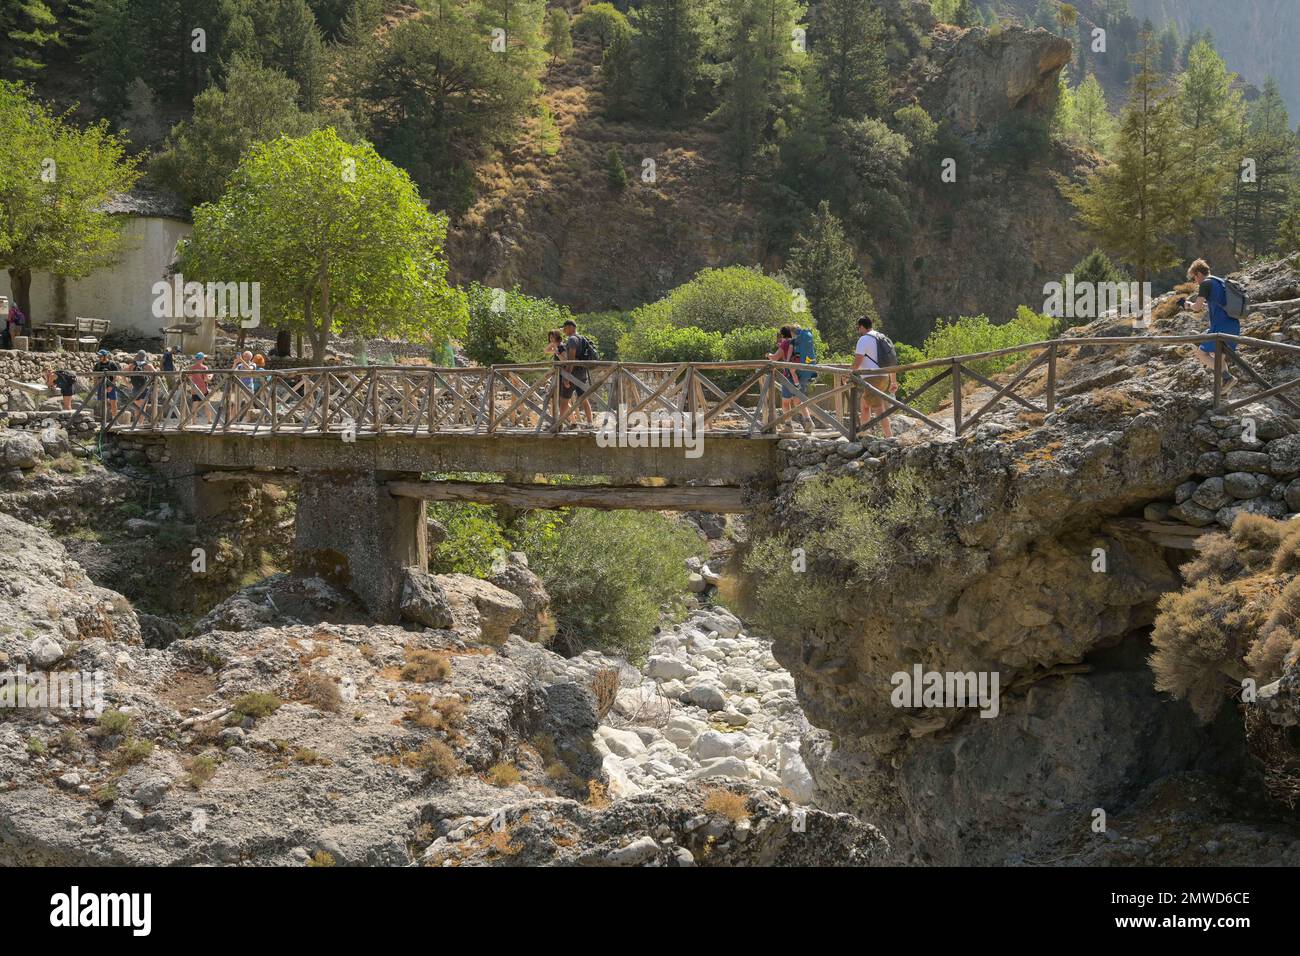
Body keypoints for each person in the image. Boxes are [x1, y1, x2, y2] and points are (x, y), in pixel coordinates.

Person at [1188, 258, 1237, 392]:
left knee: (1201, 354)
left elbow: (1197, 308)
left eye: (1194, 278)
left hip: (1220, 327)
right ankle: (1224, 391)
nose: (1195, 282)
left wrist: (1188, 305)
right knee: (1219, 358)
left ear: (1198, 274)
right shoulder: (1220, 282)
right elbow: (1218, 302)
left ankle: (1227, 378)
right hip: (1233, 325)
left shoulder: (1206, 284)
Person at [852, 316, 898, 438]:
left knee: (879, 409)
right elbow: (891, 361)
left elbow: (857, 362)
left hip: (872, 378)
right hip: (885, 377)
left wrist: (848, 375)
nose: (858, 330)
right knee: (864, 404)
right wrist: (893, 382)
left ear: (862, 326)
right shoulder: (882, 337)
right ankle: (863, 434)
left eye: (858, 328)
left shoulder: (863, 339)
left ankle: (889, 437)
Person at [559, 319, 594, 427]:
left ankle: (559, 424)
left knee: (564, 400)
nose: (564, 331)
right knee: (583, 399)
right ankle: (590, 423)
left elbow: (571, 360)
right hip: (583, 373)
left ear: (570, 327)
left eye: (564, 328)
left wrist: (567, 377)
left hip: (573, 374)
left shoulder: (572, 339)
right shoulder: (583, 338)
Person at [767, 326, 799, 424]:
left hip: (789, 375)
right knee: (799, 401)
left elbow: (774, 358)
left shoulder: (785, 343)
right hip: (800, 374)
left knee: (785, 402)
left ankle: (788, 425)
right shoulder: (798, 342)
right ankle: (808, 422)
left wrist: (768, 355)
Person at [92, 348, 121, 421]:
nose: (99, 358)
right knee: (103, 403)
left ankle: (115, 420)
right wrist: (95, 387)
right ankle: (104, 420)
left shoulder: (112, 364)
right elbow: (95, 377)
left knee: (113, 403)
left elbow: (116, 376)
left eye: (100, 356)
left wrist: (111, 386)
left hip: (111, 386)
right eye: (99, 356)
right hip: (101, 386)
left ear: (105, 356)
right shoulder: (97, 365)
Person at [126, 350, 156, 415]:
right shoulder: (148, 366)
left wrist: (127, 383)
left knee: (136, 406)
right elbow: (157, 375)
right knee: (143, 407)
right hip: (145, 387)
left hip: (135, 387)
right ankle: (140, 423)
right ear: (144, 357)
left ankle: (136, 423)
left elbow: (121, 373)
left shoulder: (132, 366)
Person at [188, 352, 211, 424]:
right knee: (207, 405)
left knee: (195, 405)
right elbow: (206, 379)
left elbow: (189, 377)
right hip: (203, 389)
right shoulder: (204, 367)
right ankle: (209, 420)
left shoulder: (191, 368)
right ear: (202, 359)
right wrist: (211, 377)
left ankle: (194, 422)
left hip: (194, 389)